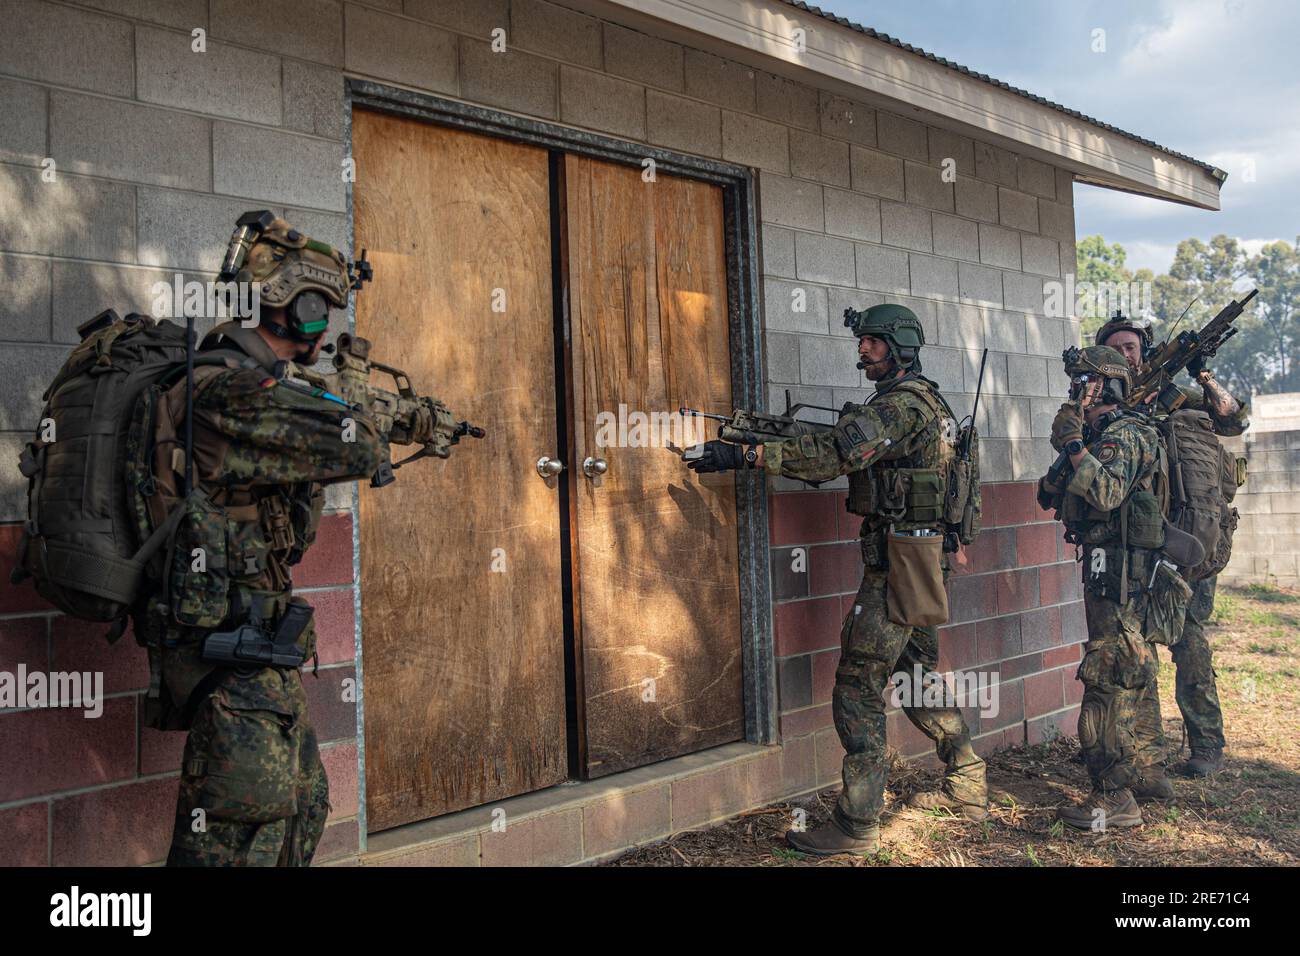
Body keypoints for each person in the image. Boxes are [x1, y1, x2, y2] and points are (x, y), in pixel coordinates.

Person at [129, 212, 434, 866]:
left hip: (255, 650)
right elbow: (353, 441)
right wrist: (363, 392)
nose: (324, 331)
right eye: (322, 313)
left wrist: (418, 418)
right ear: (293, 305)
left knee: (299, 808)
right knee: (240, 831)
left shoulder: (241, 383)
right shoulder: (232, 390)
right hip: (227, 655)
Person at [686, 304, 987, 855]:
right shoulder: (928, 401)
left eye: (872, 342)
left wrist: (745, 453)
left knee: (857, 683)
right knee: (914, 671)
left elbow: (831, 457)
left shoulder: (900, 406)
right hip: (920, 560)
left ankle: (857, 823)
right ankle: (968, 782)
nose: (863, 351)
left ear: (899, 346)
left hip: (898, 565)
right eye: (863, 342)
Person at [1095, 312, 1248, 776]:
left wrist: (1202, 370)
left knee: (1189, 640)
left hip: (1192, 536)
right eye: (1116, 347)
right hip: (1141, 541)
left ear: (1145, 350)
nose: (1126, 353)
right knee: (1139, 646)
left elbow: (1233, 419)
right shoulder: (1109, 404)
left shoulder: (1176, 398)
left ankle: (1206, 745)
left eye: (1132, 346)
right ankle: (1149, 754)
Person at [1037, 345, 1175, 829]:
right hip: (1104, 570)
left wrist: (1076, 446)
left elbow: (1106, 491)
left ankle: (1114, 796)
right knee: (1127, 668)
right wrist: (1069, 448)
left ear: (1108, 386)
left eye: (1085, 383)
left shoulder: (1126, 434)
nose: (1077, 392)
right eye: (1076, 383)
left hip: (1122, 575)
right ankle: (1143, 774)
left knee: (1108, 676)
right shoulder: (1097, 435)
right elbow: (1046, 493)